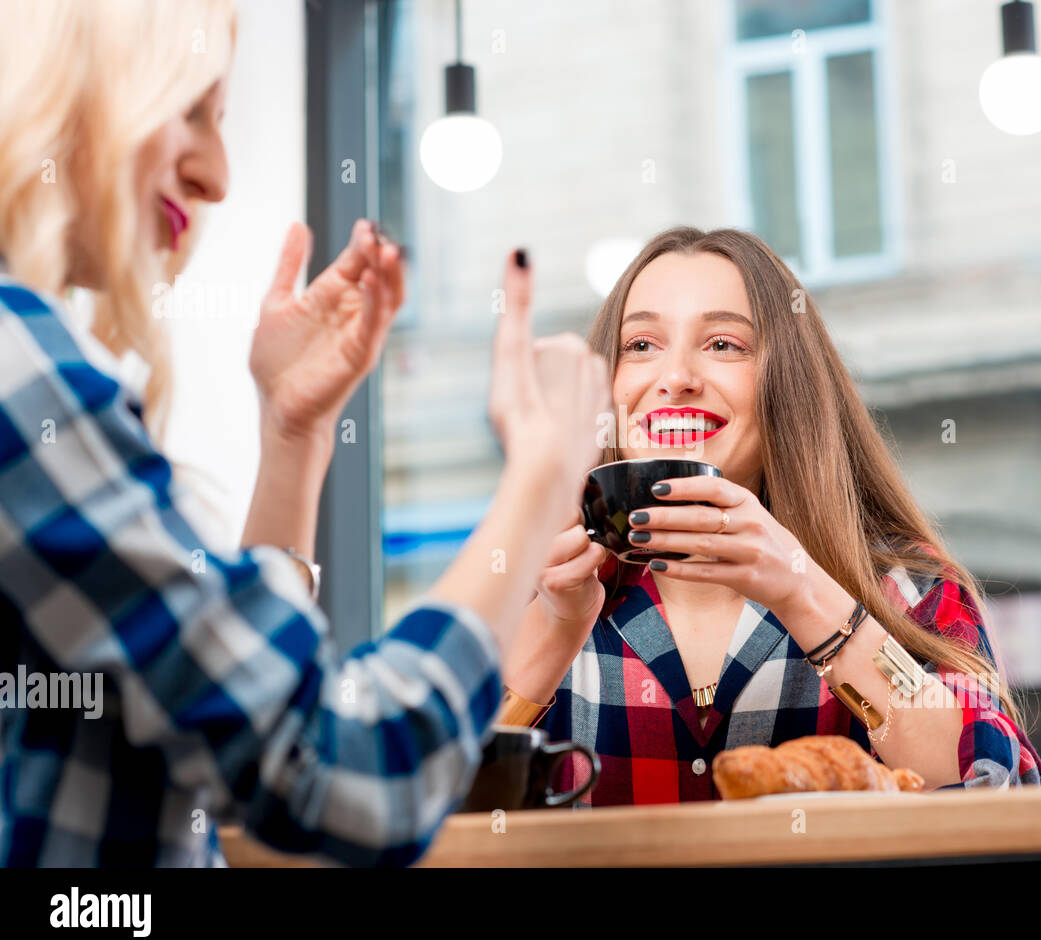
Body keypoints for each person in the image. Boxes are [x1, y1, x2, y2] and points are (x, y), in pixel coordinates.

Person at [0, 0, 609, 865]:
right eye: (193, 109)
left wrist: (294, 434)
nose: (217, 173)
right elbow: (351, 769)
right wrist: (541, 472)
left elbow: (222, 719)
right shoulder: (21, 368)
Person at [501, 227, 1041, 804]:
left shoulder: (906, 585)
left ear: (786, 387)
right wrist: (555, 629)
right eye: (641, 345)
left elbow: (1001, 790)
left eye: (723, 345)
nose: (676, 377)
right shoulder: (535, 586)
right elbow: (422, 811)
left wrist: (804, 593)